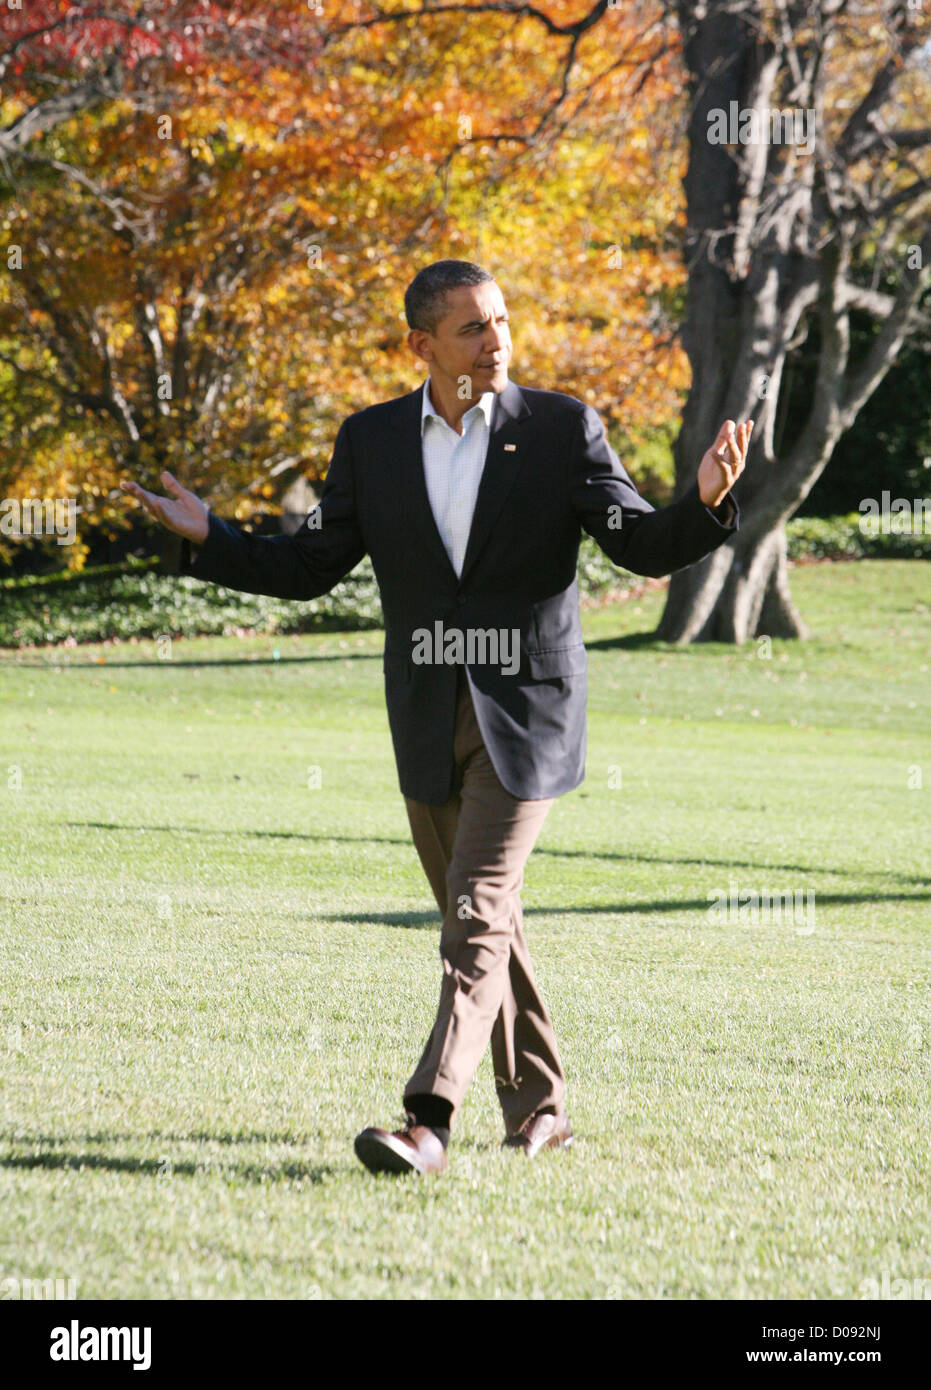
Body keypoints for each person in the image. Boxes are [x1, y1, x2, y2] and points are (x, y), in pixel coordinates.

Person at [122, 259, 752, 1176]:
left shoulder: (560, 429)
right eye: (471, 328)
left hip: (526, 715)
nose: (496, 339)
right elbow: (310, 567)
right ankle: (543, 1109)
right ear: (420, 345)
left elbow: (639, 544)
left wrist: (701, 500)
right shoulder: (371, 440)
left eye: (501, 320)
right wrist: (210, 538)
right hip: (424, 714)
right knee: (488, 923)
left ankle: (427, 1121)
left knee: (473, 917)